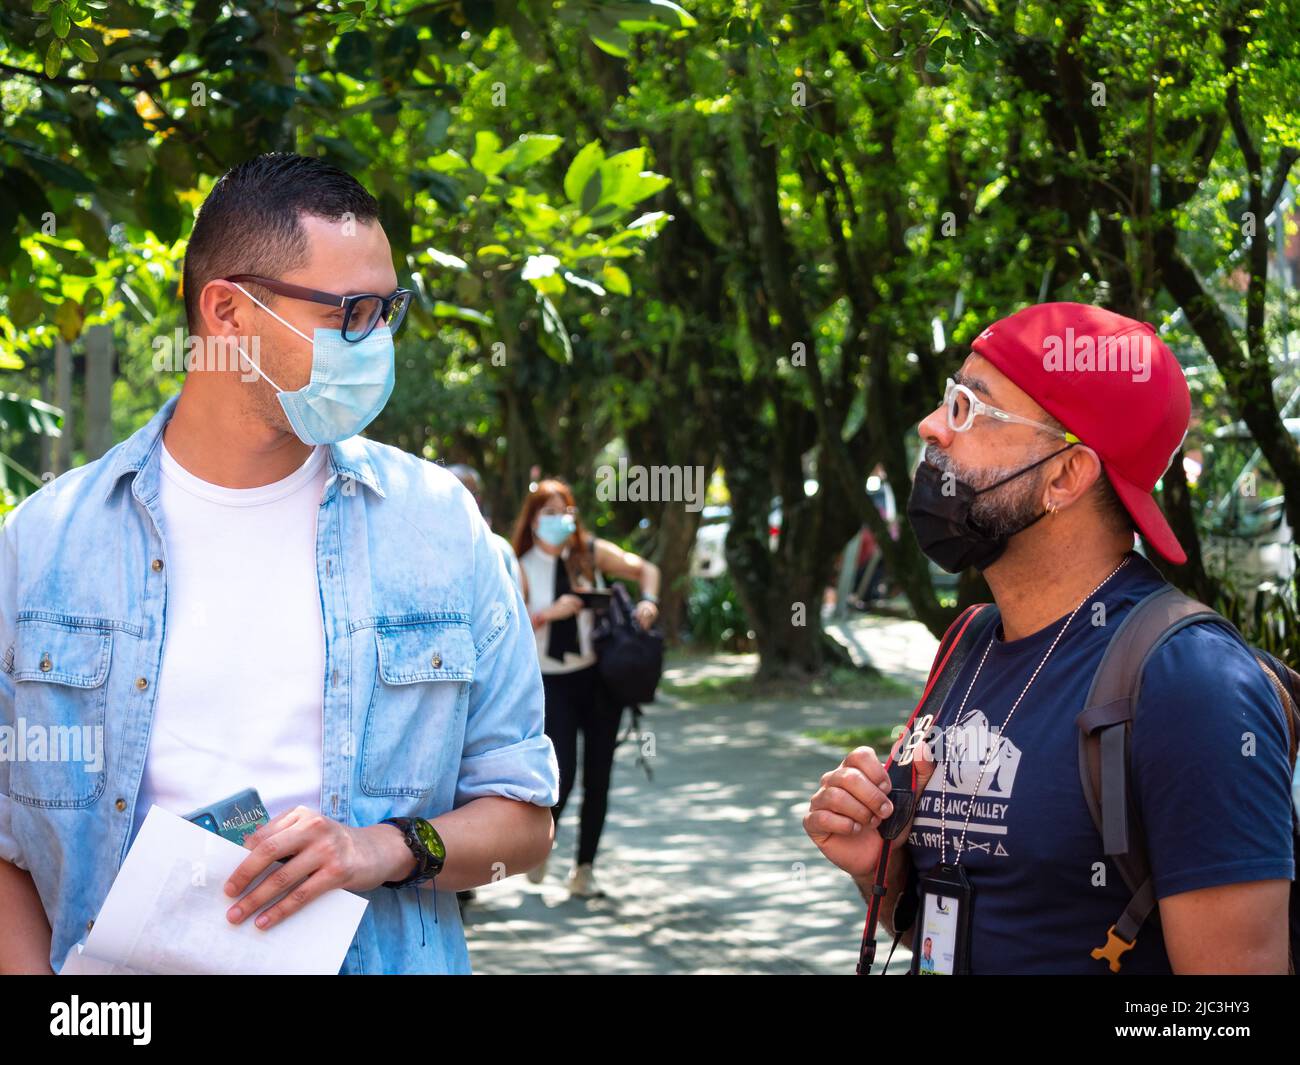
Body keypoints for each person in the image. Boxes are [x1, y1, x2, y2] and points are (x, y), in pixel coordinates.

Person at [0, 153, 559, 975]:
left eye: (388, 310)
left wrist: (383, 848)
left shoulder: (440, 527)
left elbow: (525, 819)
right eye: (352, 312)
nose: (377, 342)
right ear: (226, 310)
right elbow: (8, 837)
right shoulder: (44, 543)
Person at [804, 302, 1295, 974]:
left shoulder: (1191, 684)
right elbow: (967, 925)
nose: (929, 426)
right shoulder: (969, 643)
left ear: (1067, 475)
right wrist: (878, 869)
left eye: (967, 409)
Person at [513, 479, 660, 898]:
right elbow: (509, 628)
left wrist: (649, 601)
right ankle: (542, 847)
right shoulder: (518, 564)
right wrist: (548, 614)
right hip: (549, 682)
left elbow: (645, 568)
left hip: (597, 677)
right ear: (533, 518)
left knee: (600, 774)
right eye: (548, 512)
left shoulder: (588, 554)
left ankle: (585, 868)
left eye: (565, 511)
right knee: (563, 774)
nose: (558, 520)